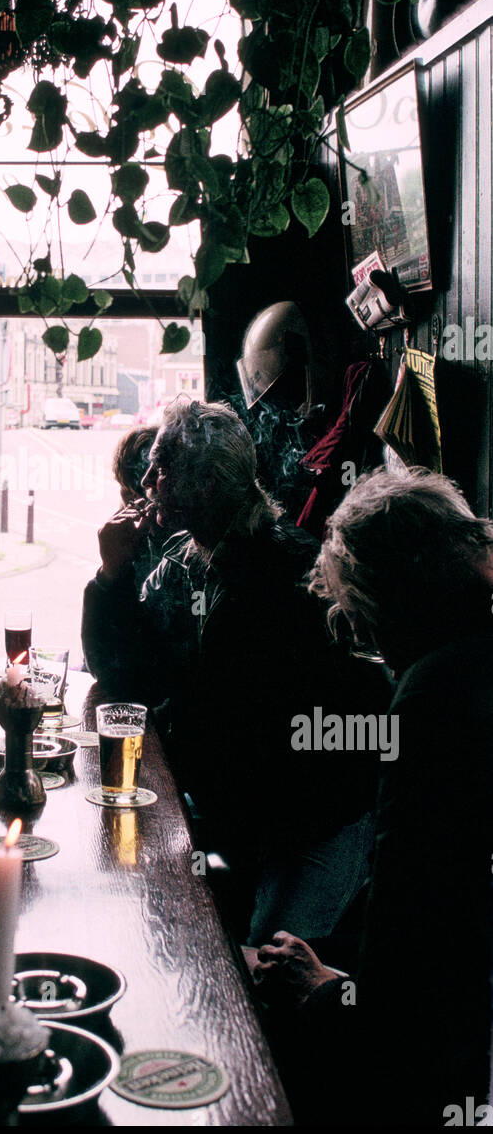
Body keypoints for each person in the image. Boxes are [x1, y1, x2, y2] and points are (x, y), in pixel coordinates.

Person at [252, 468, 493, 1126]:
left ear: (388, 603)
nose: (372, 652)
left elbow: (416, 944)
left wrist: (327, 992)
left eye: (359, 626)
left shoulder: (435, 696)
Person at [139, 400, 386, 945]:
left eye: (161, 469)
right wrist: (110, 577)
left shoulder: (278, 579)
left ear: (204, 486)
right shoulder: (194, 555)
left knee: (271, 973)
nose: (147, 480)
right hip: (257, 816)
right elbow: (139, 666)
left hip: (319, 825)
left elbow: (230, 732)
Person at [81, 427, 198, 703]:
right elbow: (101, 664)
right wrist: (109, 575)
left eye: (144, 492)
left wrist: (111, 578)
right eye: (126, 495)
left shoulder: (188, 552)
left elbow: (139, 673)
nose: (133, 510)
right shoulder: (128, 544)